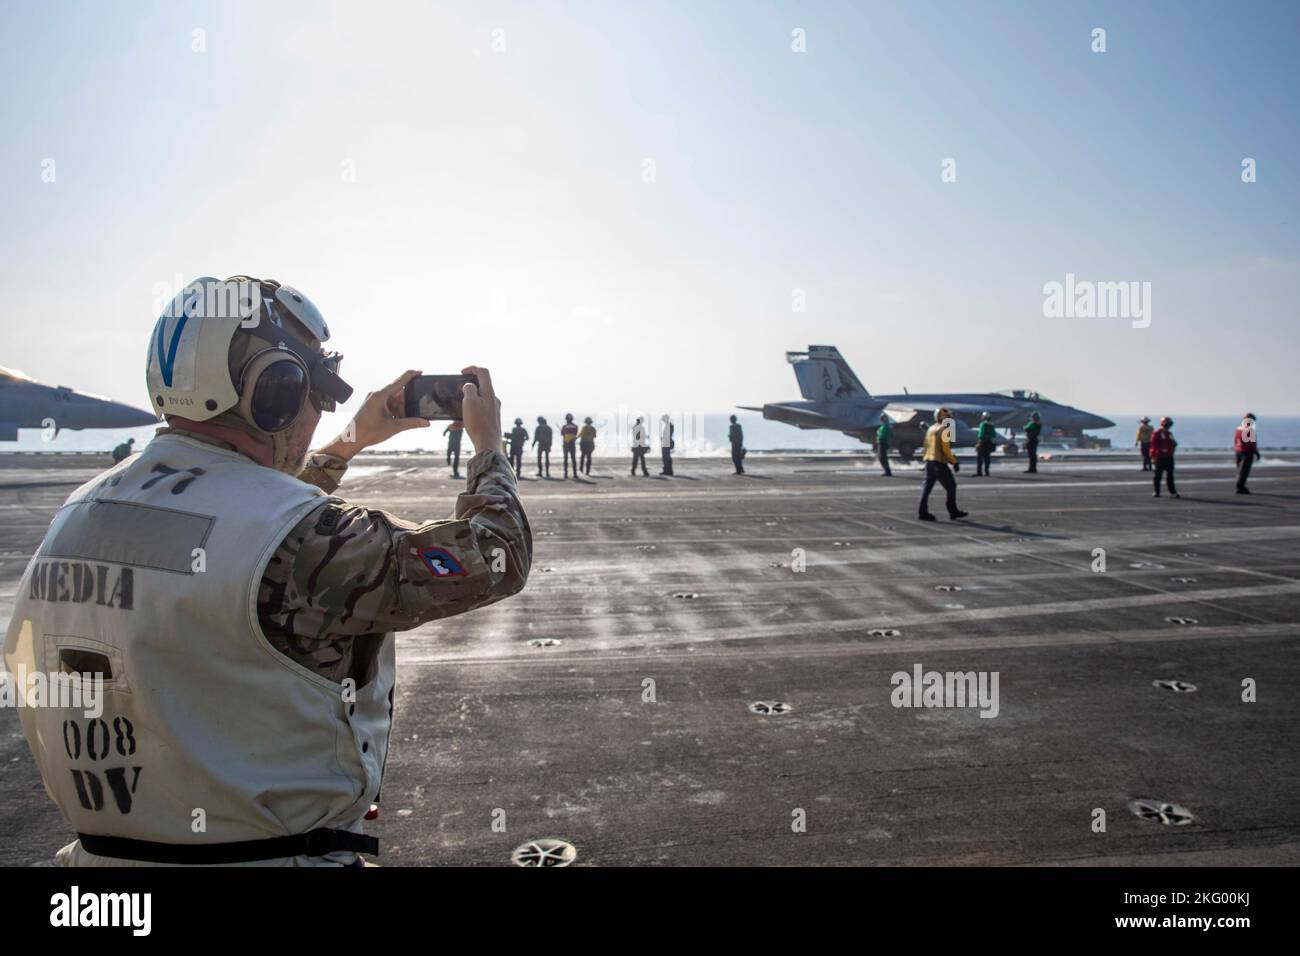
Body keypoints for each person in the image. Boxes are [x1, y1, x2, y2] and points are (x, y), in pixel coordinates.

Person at [3, 275, 530, 867]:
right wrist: (489, 447)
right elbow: (496, 555)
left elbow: (245, 538)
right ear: (275, 392)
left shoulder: (79, 513)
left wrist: (351, 440)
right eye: (315, 391)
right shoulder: (302, 540)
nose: (315, 412)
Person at [918, 407, 968, 522]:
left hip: (929, 462)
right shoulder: (945, 429)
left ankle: (922, 512)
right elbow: (946, 449)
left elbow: (925, 446)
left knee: (926, 489)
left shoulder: (931, 428)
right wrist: (954, 462)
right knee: (951, 487)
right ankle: (953, 511)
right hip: (939, 463)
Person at [1150, 415, 1179, 498]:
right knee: (1157, 476)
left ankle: (1173, 492)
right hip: (1159, 457)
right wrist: (1153, 457)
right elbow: (1153, 446)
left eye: (1169, 424)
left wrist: (1172, 447)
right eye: (1167, 424)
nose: (1168, 426)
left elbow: (1174, 443)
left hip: (1169, 457)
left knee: (1170, 476)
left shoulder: (1169, 434)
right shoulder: (1157, 433)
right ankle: (1157, 491)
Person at [1234, 412, 1261, 494]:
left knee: (1240, 470)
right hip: (1247, 452)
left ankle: (1240, 486)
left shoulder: (1238, 428)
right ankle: (1240, 487)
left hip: (1238, 451)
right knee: (1244, 471)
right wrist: (1257, 453)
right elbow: (1252, 443)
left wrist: (1236, 449)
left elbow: (1235, 441)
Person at [975, 412, 996, 476]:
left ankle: (979, 472)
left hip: (982, 443)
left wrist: (978, 442)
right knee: (987, 458)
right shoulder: (992, 425)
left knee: (979, 458)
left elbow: (980, 434)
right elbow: (994, 435)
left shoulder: (983, 424)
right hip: (989, 443)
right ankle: (987, 472)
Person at [560, 413, 579, 479]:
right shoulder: (575, 426)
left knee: (565, 459)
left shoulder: (564, 426)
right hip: (572, 444)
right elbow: (575, 433)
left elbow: (562, 434)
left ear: (566, 419)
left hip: (566, 444)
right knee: (573, 459)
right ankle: (575, 474)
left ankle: (565, 474)